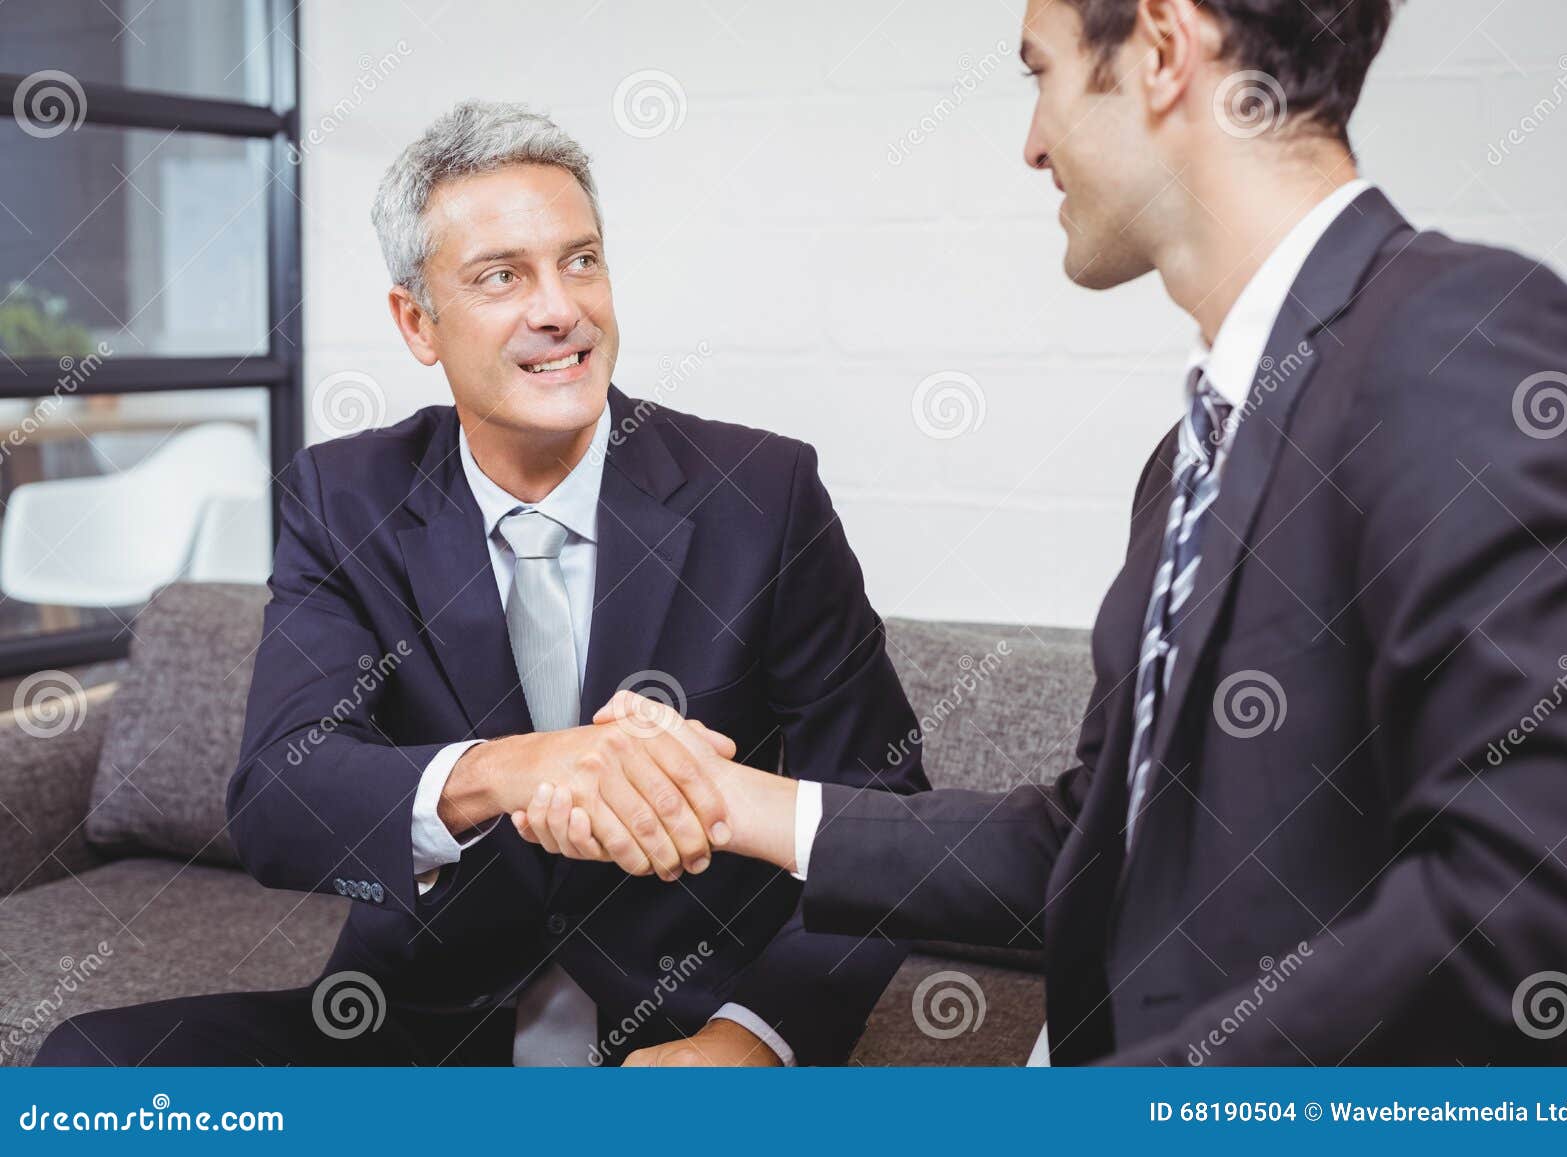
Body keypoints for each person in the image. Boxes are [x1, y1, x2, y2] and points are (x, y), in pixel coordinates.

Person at [525, 0, 1567, 1064]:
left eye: (1038, 72)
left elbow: (1534, 899)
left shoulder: (1464, 341)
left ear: (1164, 49)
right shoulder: (1190, 457)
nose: (1031, 142)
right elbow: (1097, 843)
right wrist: (731, 801)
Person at [34, 100, 927, 1069]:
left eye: (580, 260)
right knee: (96, 1065)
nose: (561, 307)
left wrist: (751, 1040)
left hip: (686, 1034)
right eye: (503, 275)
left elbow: (886, 810)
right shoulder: (344, 498)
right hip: (416, 1034)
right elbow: (282, 794)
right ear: (417, 321)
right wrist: (513, 766)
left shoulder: (762, 493)